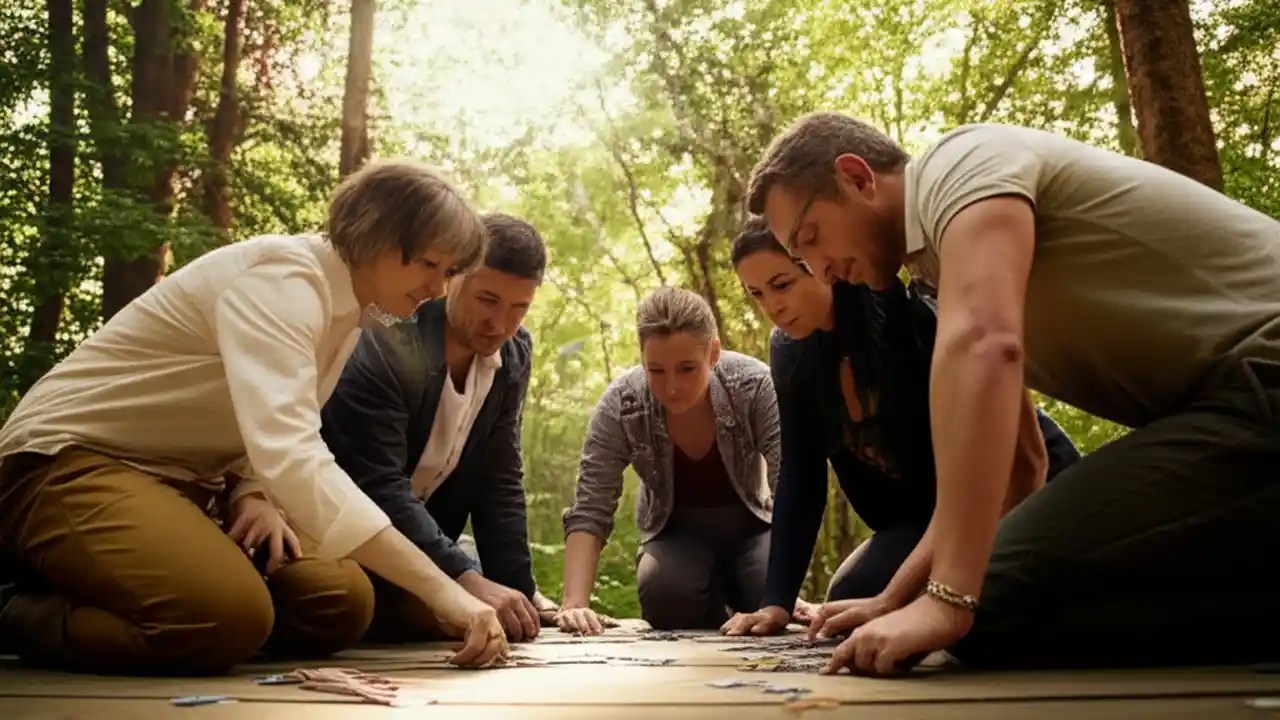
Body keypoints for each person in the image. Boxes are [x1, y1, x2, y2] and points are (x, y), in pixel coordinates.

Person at [747, 112, 1280, 674]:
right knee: (988, 603)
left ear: (857, 178)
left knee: (982, 608)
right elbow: (1023, 465)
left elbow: (986, 344)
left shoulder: (962, 166)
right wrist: (893, 599)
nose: (822, 272)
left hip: (1262, 378)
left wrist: (947, 599)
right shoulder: (940, 270)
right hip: (1225, 416)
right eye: (802, 262)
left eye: (811, 240)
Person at [0, 159, 509, 675]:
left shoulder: (350, 309)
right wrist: (446, 591)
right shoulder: (282, 282)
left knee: (339, 603)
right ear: (375, 235)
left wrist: (252, 490)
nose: (439, 289)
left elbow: (268, 421)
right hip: (66, 462)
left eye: (448, 273)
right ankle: (17, 611)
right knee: (222, 618)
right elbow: (294, 456)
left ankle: (183, 602)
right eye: (428, 265)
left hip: (191, 482)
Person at [721, 221, 1080, 637]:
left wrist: (894, 599)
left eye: (782, 285)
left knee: (992, 613)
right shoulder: (789, 353)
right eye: (757, 294)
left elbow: (991, 467)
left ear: (821, 266)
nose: (772, 306)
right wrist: (776, 602)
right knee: (852, 591)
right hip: (919, 524)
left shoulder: (905, 315)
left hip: (1015, 494)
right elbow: (802, 477)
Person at [320, 212, 557, 645]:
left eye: (518, 308)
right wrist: (465, 578)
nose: (500, 324)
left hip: (430, 541)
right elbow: (376, 484)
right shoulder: (389, 338)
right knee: (348, 603)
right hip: (349, 530)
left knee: (497, 606)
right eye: (487, 300)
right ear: (454, 277)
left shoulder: (514, 356)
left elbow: (498, 478)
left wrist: (519, 592)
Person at [558, 287, 780, 633]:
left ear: (714, 353)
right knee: (664, 591)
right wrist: (574, 604)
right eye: (656, 370)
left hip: (754, 527)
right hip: (674, 534)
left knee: (768, 585)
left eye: (687, 368)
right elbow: (591, 506)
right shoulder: (622, 404)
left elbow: (792, 485)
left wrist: (782, 597)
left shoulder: (754, 386)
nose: (672, 386)